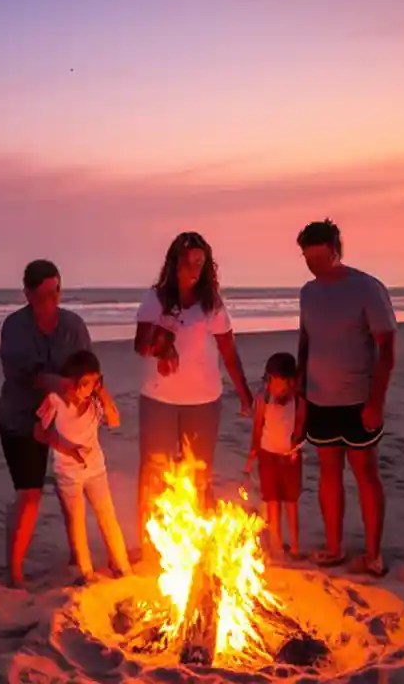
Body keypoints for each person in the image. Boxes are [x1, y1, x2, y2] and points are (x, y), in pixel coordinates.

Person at [134, 231, 254, 562]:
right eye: (188, 263)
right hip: (159, 398)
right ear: (174, 263)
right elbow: (139, 343)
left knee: (200, 473)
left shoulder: (211, 303)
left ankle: (199, 545)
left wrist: (245, 394)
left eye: (200, 263)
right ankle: (149, 545)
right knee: (153, 471)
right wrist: (163, 347)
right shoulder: (156, 299)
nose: (194, 270)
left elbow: (229, 352)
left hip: (203, 400)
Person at [295, 219, 397, 577]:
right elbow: (305, 343)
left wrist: (375, 402)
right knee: (328, 472)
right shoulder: (308, 292)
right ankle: (335, 547)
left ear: (336, 251)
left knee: (365, 472)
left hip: (358, 398)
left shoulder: (367, 288)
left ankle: (373, 553)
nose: (315, 268)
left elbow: (387, 349)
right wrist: (301, 396)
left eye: (320, 259)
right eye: (308, 261)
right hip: (320, 398)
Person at [0, 259, 91, 588]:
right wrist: (57, 383)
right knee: (30, 494)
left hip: (67, 417)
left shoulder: (73, 325)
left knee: (70, 486)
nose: (50, 302)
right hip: (21, 418)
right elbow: (26, 375)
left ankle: (77, 554)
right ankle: (15, 571)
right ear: (27, 294)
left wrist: (96, 398)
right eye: (42, 296)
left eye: (55, 293)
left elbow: (87, 369)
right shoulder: (14, 328)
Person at [34, 350, 133, 583]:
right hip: (68, 471)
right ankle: (86, 572)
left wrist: (102, 392)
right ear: (73, 381)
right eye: (86, 382)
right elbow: (39, 432)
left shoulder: (95, 402)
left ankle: (122, 566)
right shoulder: (55, 401)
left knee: (107, 516)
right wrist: (68, 450)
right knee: (76, 521)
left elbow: (115, 421)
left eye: (95, 382)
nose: (90, 388)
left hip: (96, 467)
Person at [244, 352, 306, 561]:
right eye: (268, 379)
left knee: (291, 501)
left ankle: (296, 545)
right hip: (268, 455)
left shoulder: (298, 402)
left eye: (275, 381)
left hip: (289, 458)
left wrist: (296, 447)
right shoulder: (263, 399)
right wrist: (253, 452)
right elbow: (257, 427)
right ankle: (277, 544)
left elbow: (299, 429)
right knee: (272, 500)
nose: (271, 385)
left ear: (290, 382)